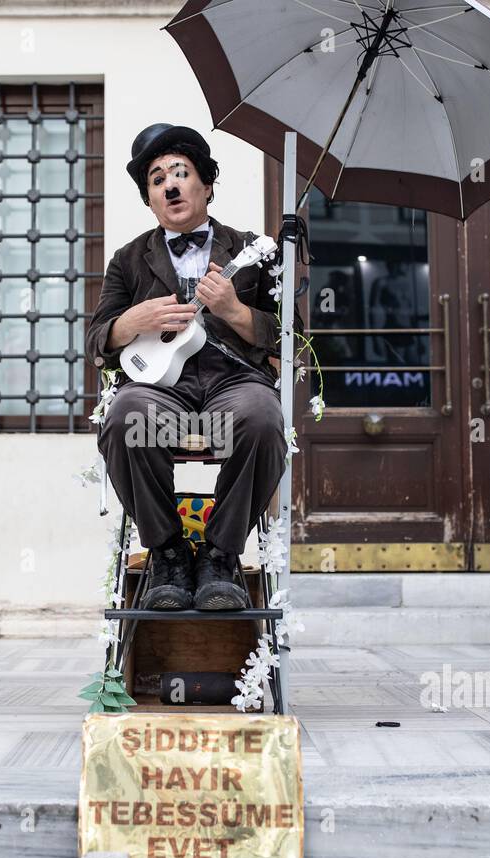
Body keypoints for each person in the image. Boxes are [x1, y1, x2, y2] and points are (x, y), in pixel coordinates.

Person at [86, 123, 297, 612]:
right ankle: (168, 554)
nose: (170, 185)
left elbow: (292, 339)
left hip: (235, 383)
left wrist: (236, 312)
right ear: (150, 199)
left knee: (264, 420)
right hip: (163, 391)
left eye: (180, 173)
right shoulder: (128, 260)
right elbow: (97, 341)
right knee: (125, 417)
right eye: (157, 180)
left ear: (205, 184)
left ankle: (221, 556)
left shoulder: (253, 249)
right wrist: (127, 324)